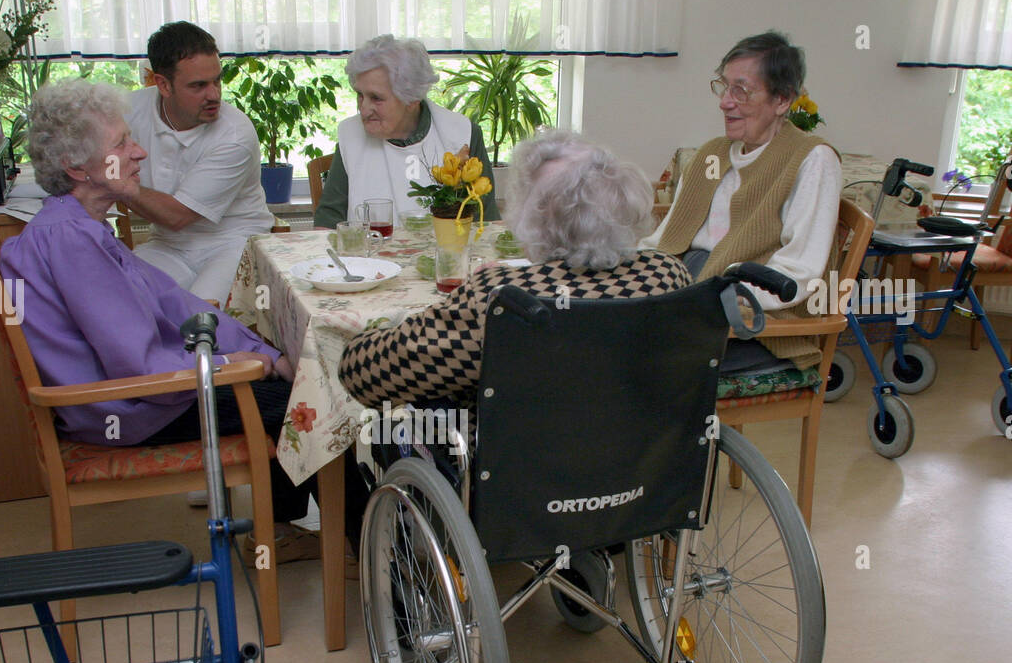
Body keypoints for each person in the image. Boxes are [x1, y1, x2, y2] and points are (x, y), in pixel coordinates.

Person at [1, 79, 363, 561]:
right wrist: (240, 364)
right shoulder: (72, 240)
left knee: (288, 383)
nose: (138, 153)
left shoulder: (79, 226)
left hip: (134, 394)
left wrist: (264, 352)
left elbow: (173, 301)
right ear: (77, 167)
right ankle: (381, 555)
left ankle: (284, 533)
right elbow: (138, 362)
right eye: (121, 145)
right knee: (310, 404)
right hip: (124, 409)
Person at [338, 129, 691, 423]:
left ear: (535, 216)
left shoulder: (503, 299)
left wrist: (376, 330)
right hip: (641, 472)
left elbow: (364, 375)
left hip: (516, 475)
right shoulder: (668, 275)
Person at [640, 30, 840, 374]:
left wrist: (710, 301)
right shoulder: (711, 155)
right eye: (723, 86)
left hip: (758, 319)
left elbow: (798, 274)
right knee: (607, 330)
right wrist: (632, 270)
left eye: (741, 91)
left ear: (782, 100)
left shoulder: (812, 160)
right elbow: (666, 240)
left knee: (639, 360)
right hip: (691, 288)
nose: (725, 102)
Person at [125, 22, 274, 306]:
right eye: (198, 85)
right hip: (166, 245)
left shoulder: (235, 134)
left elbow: (177, 216)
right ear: (163, 84)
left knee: (199, 318)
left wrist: (116, 184)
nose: (214, 95)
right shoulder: (128, 110)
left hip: (232, 242)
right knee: (124, 298)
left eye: (217, 81)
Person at [314, 34, 500, 229]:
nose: (364, 108)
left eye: (376, 98)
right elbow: (327, 223)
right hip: (368, 249)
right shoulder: (350, 135)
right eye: (360, 95)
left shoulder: (462, 134)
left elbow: (487, 223)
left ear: (412, 99)